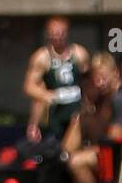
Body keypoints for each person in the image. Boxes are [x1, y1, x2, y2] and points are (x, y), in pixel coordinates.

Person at [61, 53, 122, 183]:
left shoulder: (118, 99)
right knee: (71, 159)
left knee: (78, 161)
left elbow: (115, 135)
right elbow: (67, 147)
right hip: (105, 157)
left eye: (105, 76)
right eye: (97, 77)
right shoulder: (95, 103)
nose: (100, 81)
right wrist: (81, 115)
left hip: (116, 157)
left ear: (115, 74)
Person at [24, 16, 90, 144]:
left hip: (77, 110)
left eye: (61, 33)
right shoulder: (42, 57)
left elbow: (89, 80)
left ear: (67, 33)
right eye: (54, 33)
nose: (58, 37)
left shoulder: (79, 53)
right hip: (56, 112)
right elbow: (29, 86)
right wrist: (48, 95)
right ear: (48, 34)